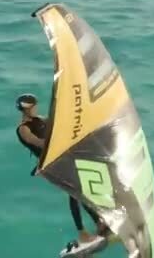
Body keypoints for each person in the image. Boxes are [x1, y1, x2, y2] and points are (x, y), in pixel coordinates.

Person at [15, 92, 105, 246]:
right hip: (50, 163)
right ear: (27, 109)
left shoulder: (39, 119)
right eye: (33, 106)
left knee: (79, 190)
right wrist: (60, 140)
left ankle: (99, 223)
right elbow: (39, 143)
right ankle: (84, 233)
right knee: (74, 192)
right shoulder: (23, 129)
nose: (36, 108)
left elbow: (57, 123)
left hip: (61, 157)